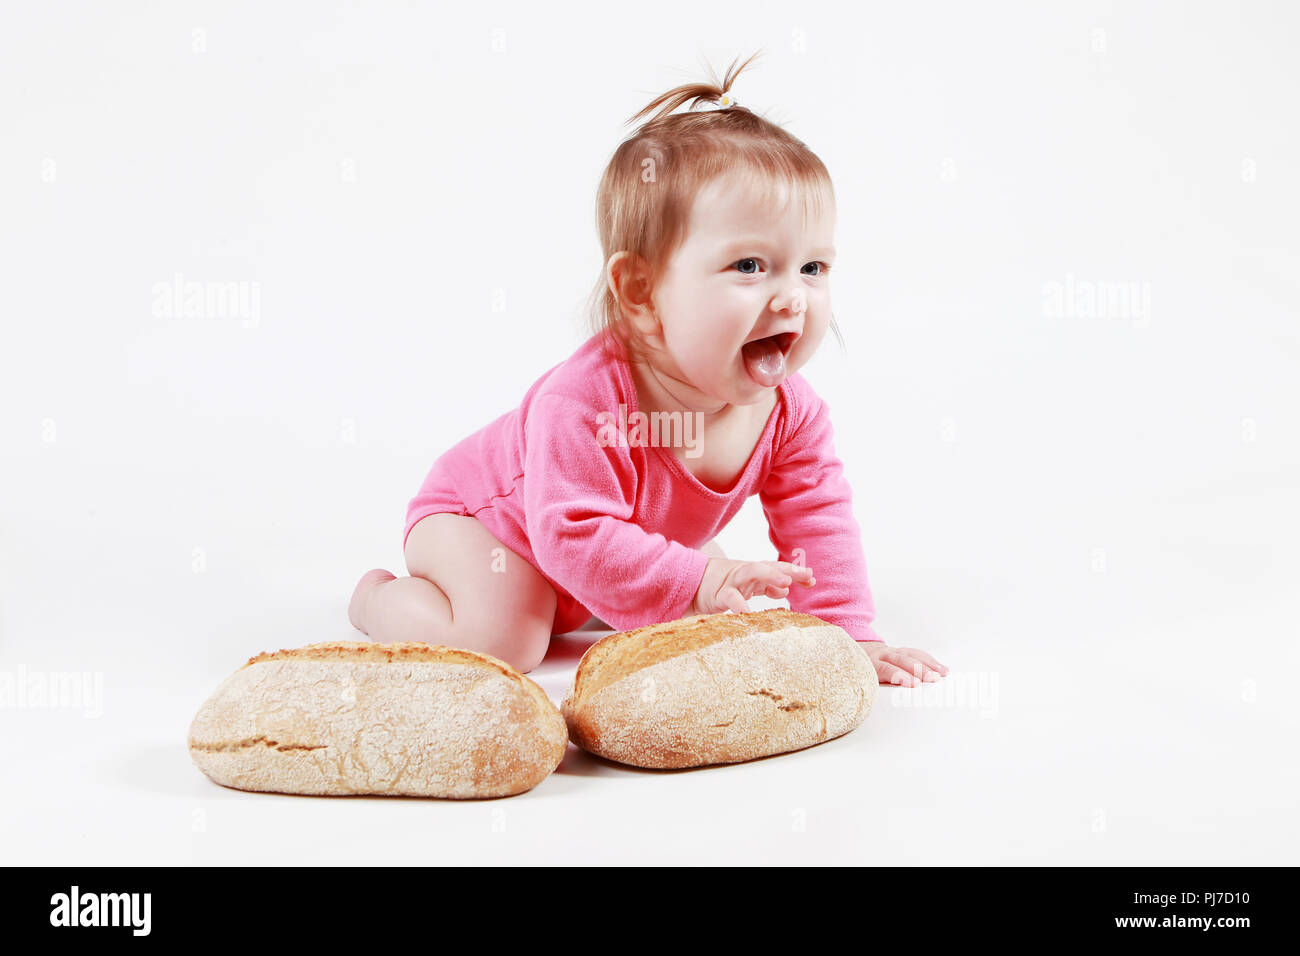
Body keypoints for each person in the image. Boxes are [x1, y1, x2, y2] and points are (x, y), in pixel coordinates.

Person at [349, 51, 948, 689]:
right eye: (749, 266)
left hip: (612, 546)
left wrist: (848, 633)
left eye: (813, 268)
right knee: (509, 636)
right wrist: (700, 578)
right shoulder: (584, 403)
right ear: (641, 290)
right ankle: (379, 600)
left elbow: (818, 516)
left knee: (715, 618)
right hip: (485, 528)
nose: (792, 297)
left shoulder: (791, 414)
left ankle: (596, 600)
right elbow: (570, 533)